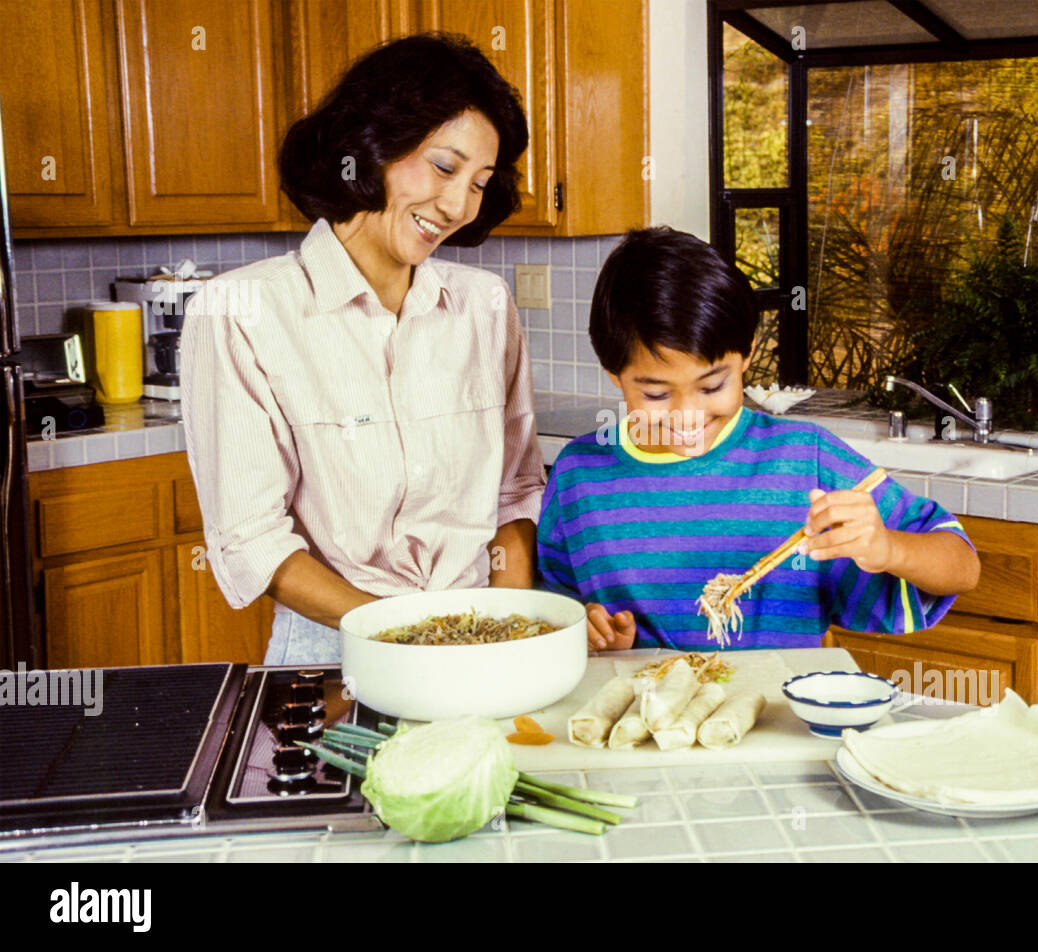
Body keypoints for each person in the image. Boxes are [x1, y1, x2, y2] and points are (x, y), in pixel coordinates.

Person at [180, 34, 545, 665]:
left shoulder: (485, 307)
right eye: (443, 166)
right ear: (372, 146)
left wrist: (503, 632)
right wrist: (406, 641)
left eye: (480, 182)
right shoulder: (241, 312)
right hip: (333, 654)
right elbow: (251, 542)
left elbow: (515, 493)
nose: (458, 205)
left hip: (477, 642)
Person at [537, 227, 981, 651]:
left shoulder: (807, 459)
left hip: (779, 718)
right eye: (655, 393)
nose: (688, 415)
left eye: (712, 386)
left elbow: (962, 566)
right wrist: (595, 636)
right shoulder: (579, 477)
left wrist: (886, 546)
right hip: (640, 720)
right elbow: (557, 610)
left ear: (747, 353)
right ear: (615, 375)